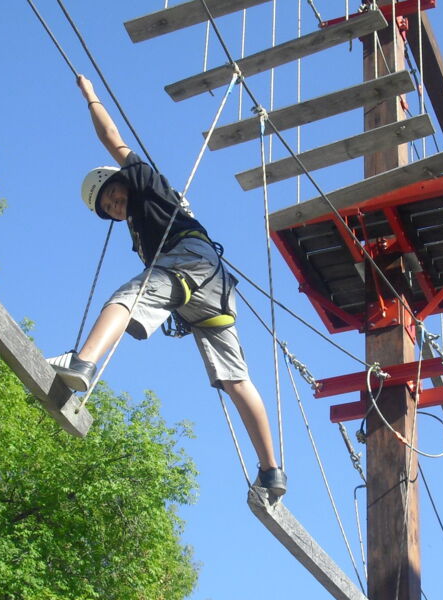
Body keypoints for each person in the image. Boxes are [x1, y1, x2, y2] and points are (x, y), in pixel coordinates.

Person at [49, 75, 286, 497]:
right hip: (206, 287)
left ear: (122, 180)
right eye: (106, 208)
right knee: (234, 378)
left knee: (125, 299)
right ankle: (272, 472)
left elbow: (111, 137)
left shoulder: (145, 182)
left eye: (112, 194)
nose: (113, 204)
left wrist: (90, 97)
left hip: (191, 263)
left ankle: (82, 363)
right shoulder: (141, 228)